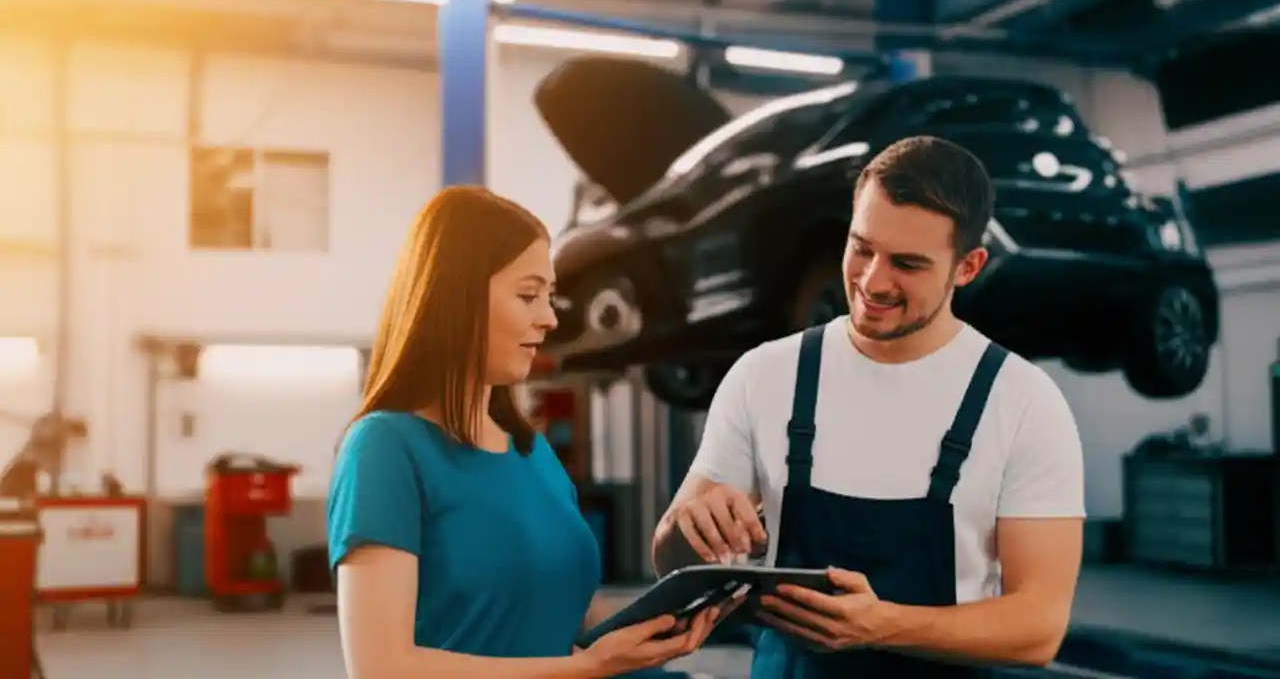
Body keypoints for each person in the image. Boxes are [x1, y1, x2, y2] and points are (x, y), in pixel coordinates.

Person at [653, 137, 1086, 677]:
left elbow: (1039, 626)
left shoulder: (1022, 402)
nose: (873, 281)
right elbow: (672, 561)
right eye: (862, 248)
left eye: (907, 263)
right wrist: (687, 530)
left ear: (968, 266)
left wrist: (881, 624)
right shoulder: (766, 376)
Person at [328, 186, 737, 679]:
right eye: (528, 295)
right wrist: (583, 668)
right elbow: (383, 668)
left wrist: (683, 612)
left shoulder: (531, 453)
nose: (548, 317)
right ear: (455, 297)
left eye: (549, 295)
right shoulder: (385, 449)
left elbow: (575, 614)